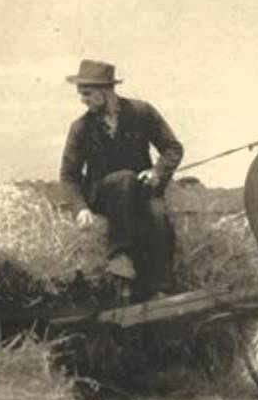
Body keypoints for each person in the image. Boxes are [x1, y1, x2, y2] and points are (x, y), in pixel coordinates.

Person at [57, 59, 183, 302]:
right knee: (124, 179)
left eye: (87, 94)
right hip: (102, 195)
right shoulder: (80, 128)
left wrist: (157, 171)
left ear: (106, 91)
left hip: (141, 192)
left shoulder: (142, 112)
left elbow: (173, 148)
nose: (82, 99)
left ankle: (160, 288)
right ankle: (119, 257)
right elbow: (68, 175)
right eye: (80, 94)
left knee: (158, 213)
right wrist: (80, 208)